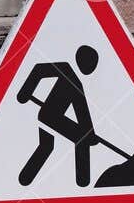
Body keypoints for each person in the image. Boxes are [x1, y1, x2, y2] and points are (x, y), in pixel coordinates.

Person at [15, 45, 100, 187]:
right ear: (82, 61)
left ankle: (24, 180)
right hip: (49, 116)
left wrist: (90, 134)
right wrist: (24, 92)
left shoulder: (77, 84)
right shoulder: (65, 69)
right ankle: (83, 182)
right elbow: (38, 70)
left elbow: (82, 113)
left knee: (46, 146)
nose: (92, 69)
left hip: (48, 116)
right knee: (81, 139)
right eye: (91, 64)